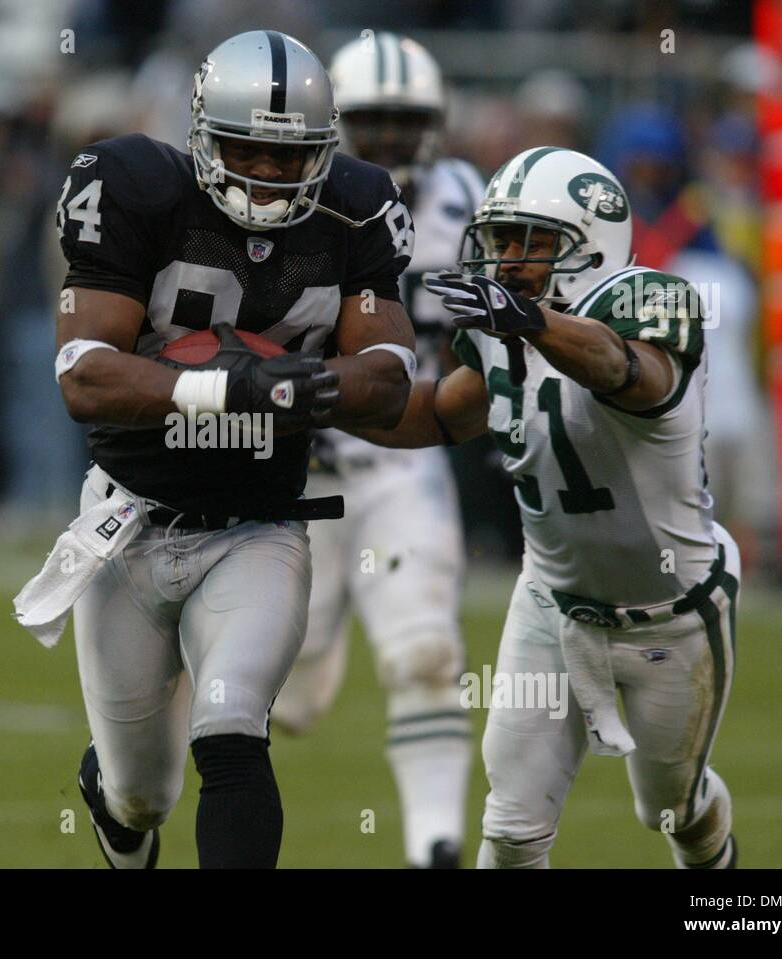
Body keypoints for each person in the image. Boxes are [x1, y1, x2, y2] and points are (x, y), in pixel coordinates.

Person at [15, 30, 419, 868]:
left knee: (232, 725)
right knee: (139, 794)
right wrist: (238, 388)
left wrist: (296, 389)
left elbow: (385, 382)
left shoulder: (358, 207)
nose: (268, 174)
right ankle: (121, 815)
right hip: (131, 521)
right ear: (203, 133)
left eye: (289, 155)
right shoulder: (134, 187)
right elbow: (83, 375)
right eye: (247, 150)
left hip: (260, 526)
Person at [352, 146, 740, 869]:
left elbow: (626, 371)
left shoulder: (648, 304)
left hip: (671, 610)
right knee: (511, 827)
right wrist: (309, 396)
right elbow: (435, 415)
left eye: (527, 240)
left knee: (669, 808)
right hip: (553, 604)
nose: (506, 258)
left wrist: (530, 322)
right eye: (497, 238)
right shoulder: (503, 330)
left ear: (586, 243)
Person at [270, 32, 479, 869]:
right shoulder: (291, 203)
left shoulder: (469, 201)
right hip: (294, 469)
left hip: (403, 461)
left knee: (426, 651)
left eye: (406, 120)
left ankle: (436, 845)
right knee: (280, 692)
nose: (390, 138)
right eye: (371, 120)